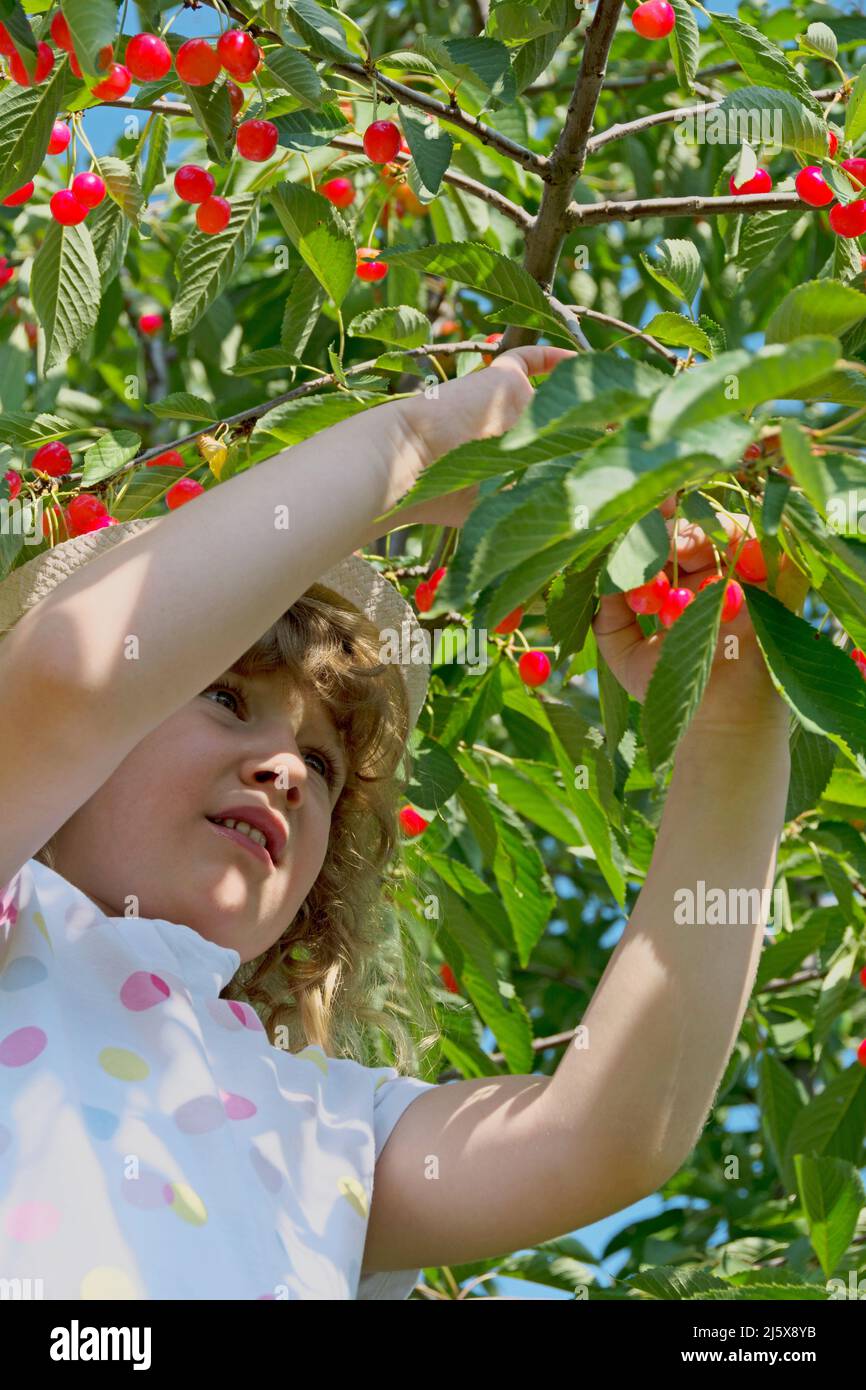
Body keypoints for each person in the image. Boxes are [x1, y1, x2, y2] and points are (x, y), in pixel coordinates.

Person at [0, 345, 792, 1299]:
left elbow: (605, 1137)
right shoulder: (20, 927)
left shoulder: (328, 1125)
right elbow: (68, 682)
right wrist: (417, 444)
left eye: (328, 767)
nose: (288, 768)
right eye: (221, 696)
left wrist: (735, 732)